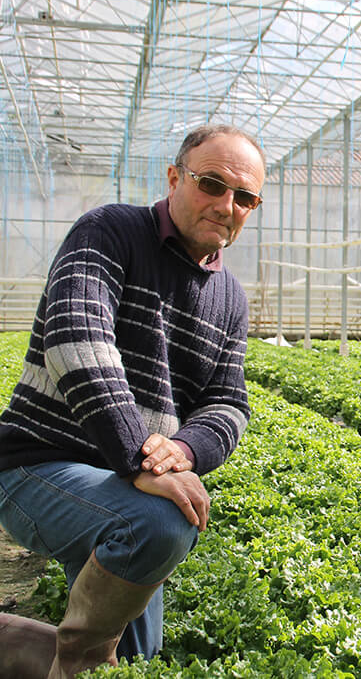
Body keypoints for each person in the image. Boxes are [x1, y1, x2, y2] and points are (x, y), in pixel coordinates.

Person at [0, 124, 266, 678]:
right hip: (37, 465)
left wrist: (182, 453)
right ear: (174, 178)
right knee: (160, 523)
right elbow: (76, 337)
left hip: (122, 477)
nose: (226, 205)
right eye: (211, 184)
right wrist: (137, 454)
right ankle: (72, 667)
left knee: (140, 662)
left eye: (244, 197)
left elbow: (228, 403)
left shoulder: (230, 298)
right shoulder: (111, 231)